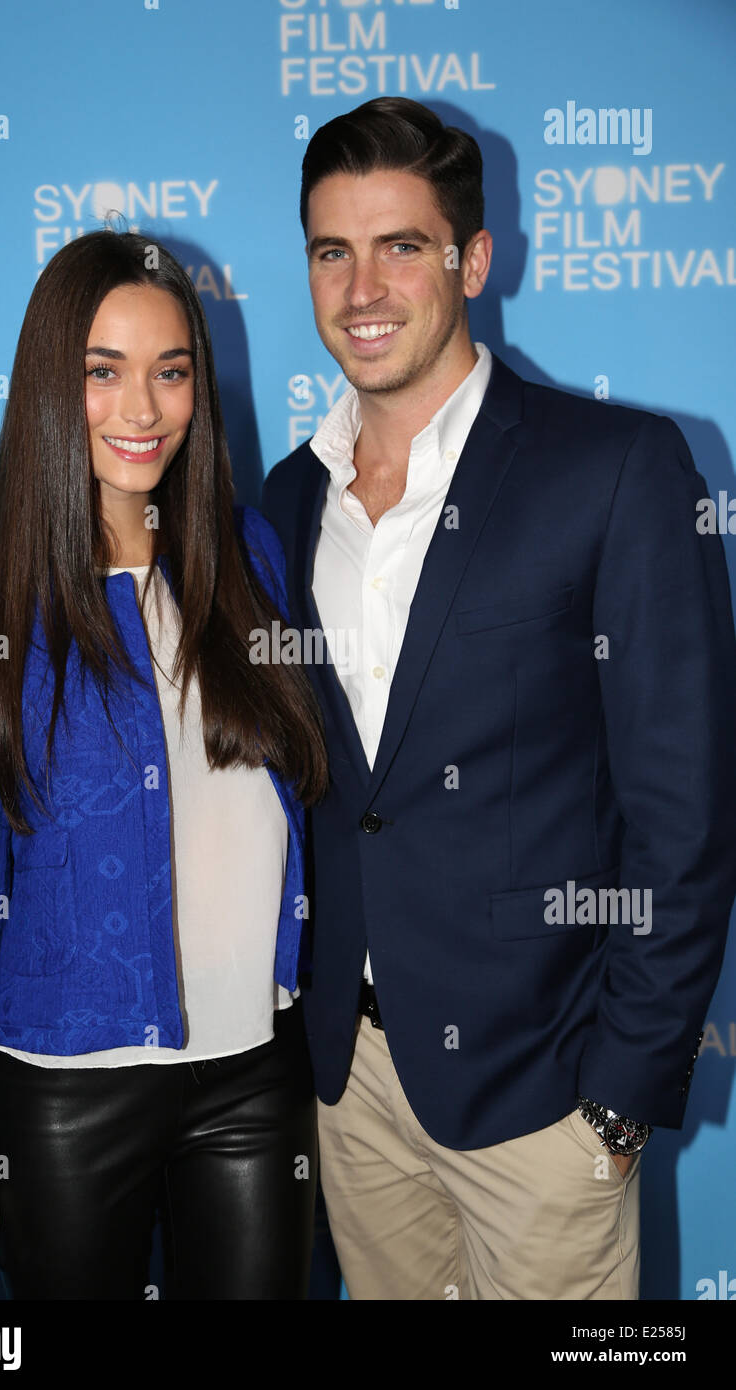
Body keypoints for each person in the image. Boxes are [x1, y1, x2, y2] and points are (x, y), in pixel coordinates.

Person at [260, 96, 736, 1301]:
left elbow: (682, 812)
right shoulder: (280, 503)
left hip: (544, 1097)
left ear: (472, 258)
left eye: (400, 246)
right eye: (332, 251)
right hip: (352, 1085)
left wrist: (619, 1101)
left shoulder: (615, 470)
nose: (361, 286)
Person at [0, 229, 328, 1301]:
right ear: (52, 383)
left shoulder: (248, 555)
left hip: (254, 1077)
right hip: (62, 1100)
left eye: (170, 371)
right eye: (103, 372)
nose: (141, 409)